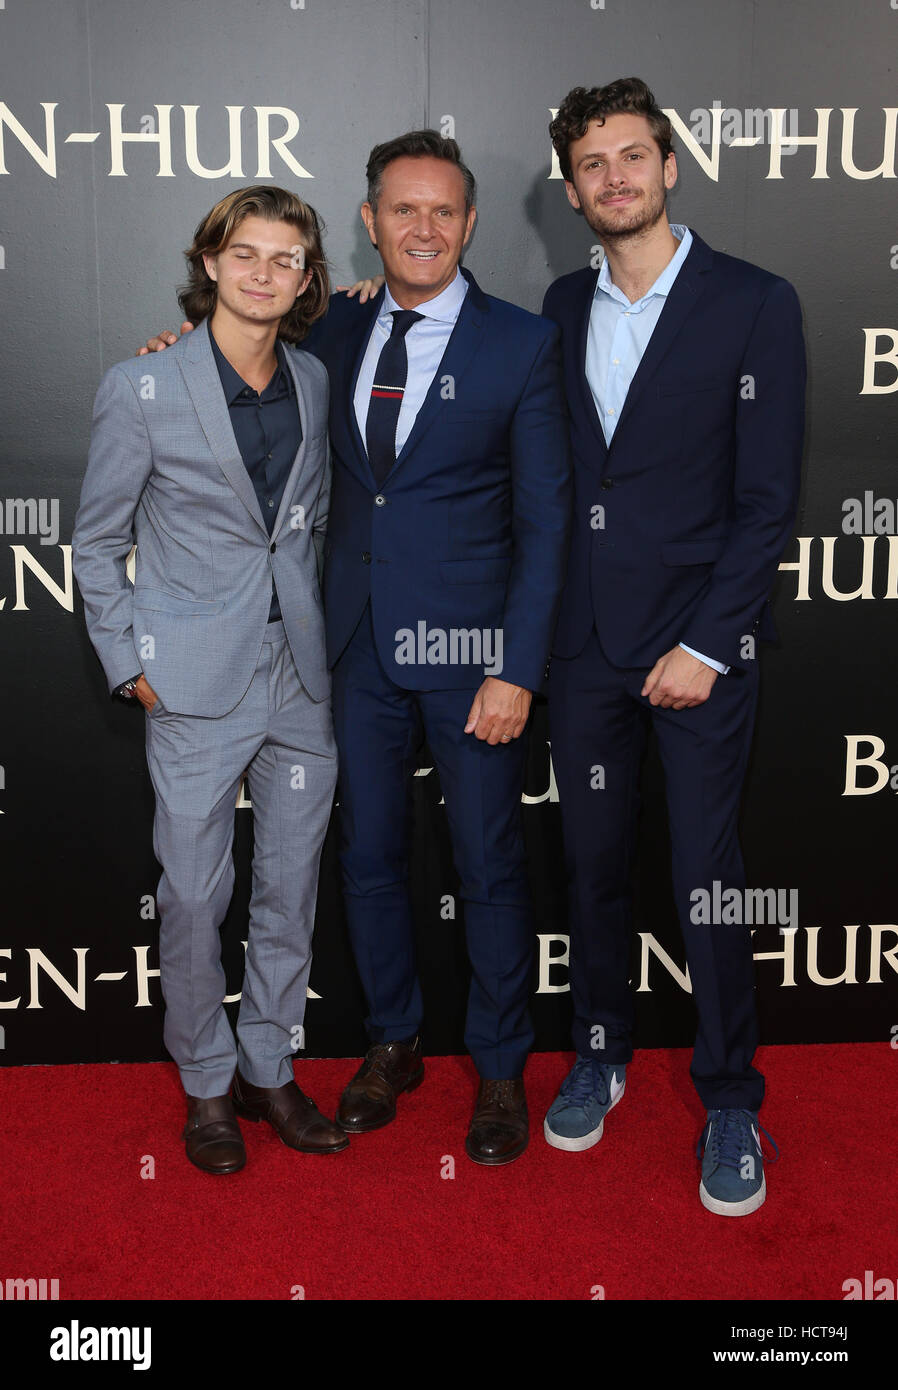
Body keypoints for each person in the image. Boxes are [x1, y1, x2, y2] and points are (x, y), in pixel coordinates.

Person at [142, 131, 571, 1165]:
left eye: (442, 211)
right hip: (343, 651)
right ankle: (391, 1042)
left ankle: (502, 1068)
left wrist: (516, 665)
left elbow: (549, 518)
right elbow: (233, 363)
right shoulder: (326, 330)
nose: (422, 227)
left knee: (487, 863)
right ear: (370, 222)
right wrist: (175, 357)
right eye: (400, 209)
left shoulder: (520, 344)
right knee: (368, 859)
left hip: (473, 657)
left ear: (468, 226)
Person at [540, 78, 806, 1215]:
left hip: (699, 647)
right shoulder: (554, 305)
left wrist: (709, 638)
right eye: (592, 164)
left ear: (670, 164)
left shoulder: (752, 300)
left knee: (705, 881)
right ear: (570, 186)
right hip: (582, 646)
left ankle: (731, 1098)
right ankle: (600, 1050)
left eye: (631, 156)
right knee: (592, 867)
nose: (614, 177)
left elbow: (767, 499)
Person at [73, 186, 348, 1174]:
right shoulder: (141, 385)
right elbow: (96, 543)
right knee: (193, 895)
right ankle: (204, 1084)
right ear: (211, 260)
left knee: (288, 887)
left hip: (299, 680)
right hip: (188, 683)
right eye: (246, 253)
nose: (264, 272)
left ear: (308, 278)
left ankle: (270, 1065)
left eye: (286, 258)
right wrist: (128, 665)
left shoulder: (316, 381)